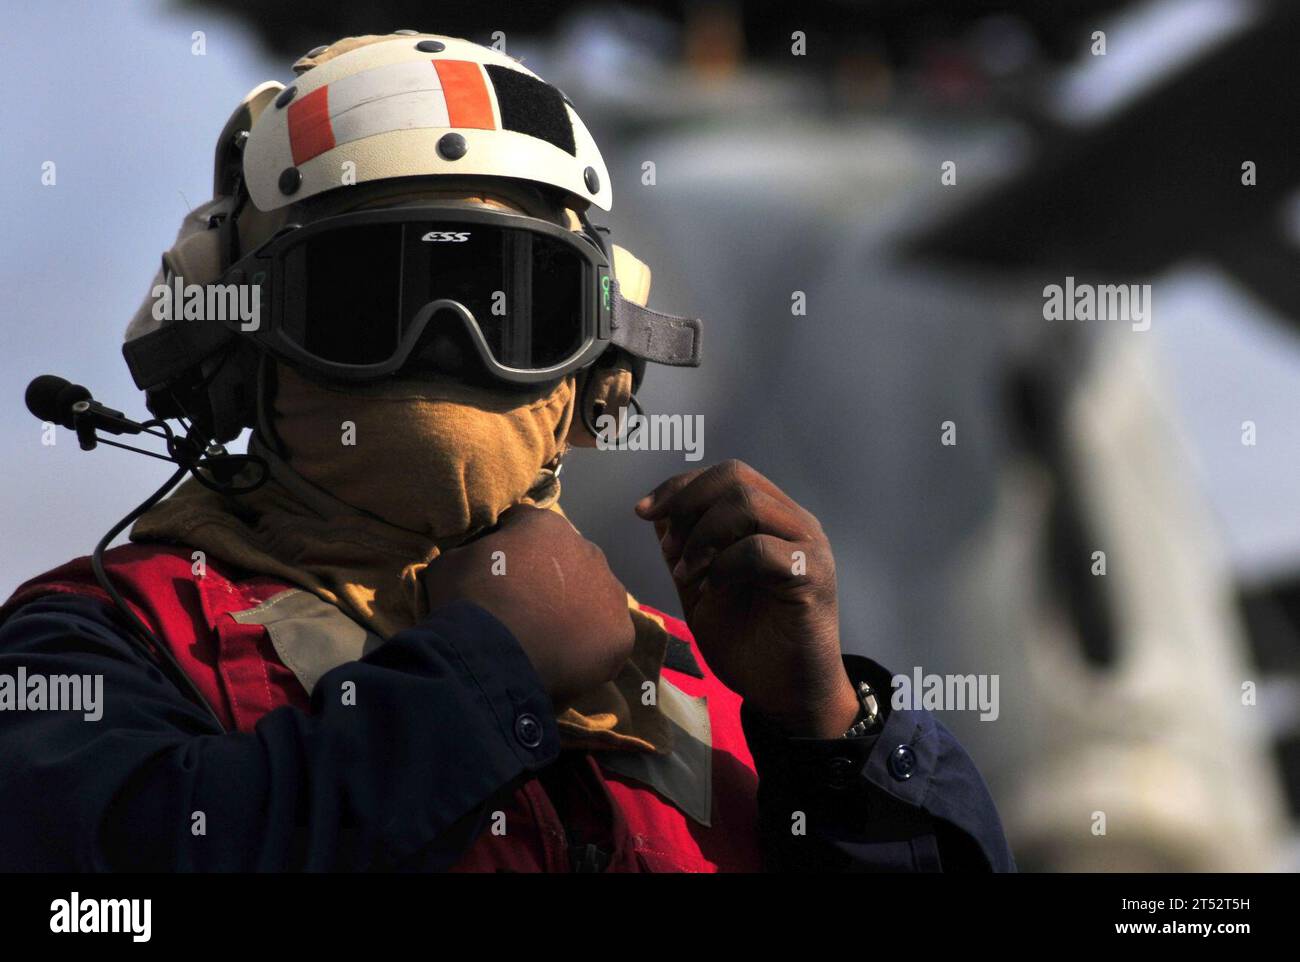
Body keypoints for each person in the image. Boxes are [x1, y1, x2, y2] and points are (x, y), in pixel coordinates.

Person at [0, 32, 1013, 872]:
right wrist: (485, 673)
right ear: (231, 342)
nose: (449, 349)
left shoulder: (702, 690)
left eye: (510, 307)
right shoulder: (93, 644)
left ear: (601, 362)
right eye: (367, 302)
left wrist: (828, 736)